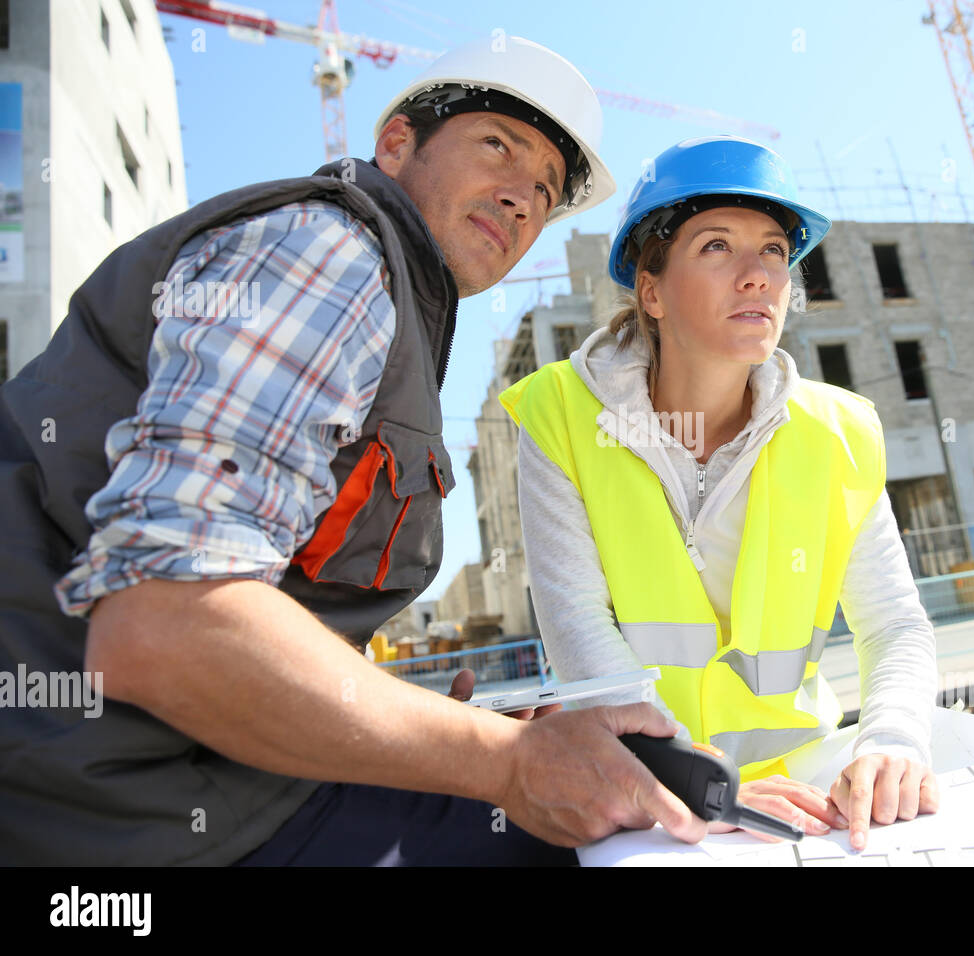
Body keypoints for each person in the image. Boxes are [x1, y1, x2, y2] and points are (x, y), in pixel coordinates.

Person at [0, 36, 707, 866]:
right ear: (397, 144)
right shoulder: (332, 253)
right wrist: (505, 764)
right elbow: (164, 620)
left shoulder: (392, 302)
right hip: (128, 808)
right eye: (498, 147)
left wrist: (441, 732)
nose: (523, 198)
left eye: (546, 191)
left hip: (182, 777)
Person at [500, 136, 940, 850]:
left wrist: (892, 739)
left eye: (773, 251)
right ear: (651, 290)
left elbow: (895, 626)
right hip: (640, 789)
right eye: (715, 247)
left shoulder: (840, 433)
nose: (757, 276)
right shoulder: (562, 417)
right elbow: (577, 627)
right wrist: (693, 776)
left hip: (809, 798)